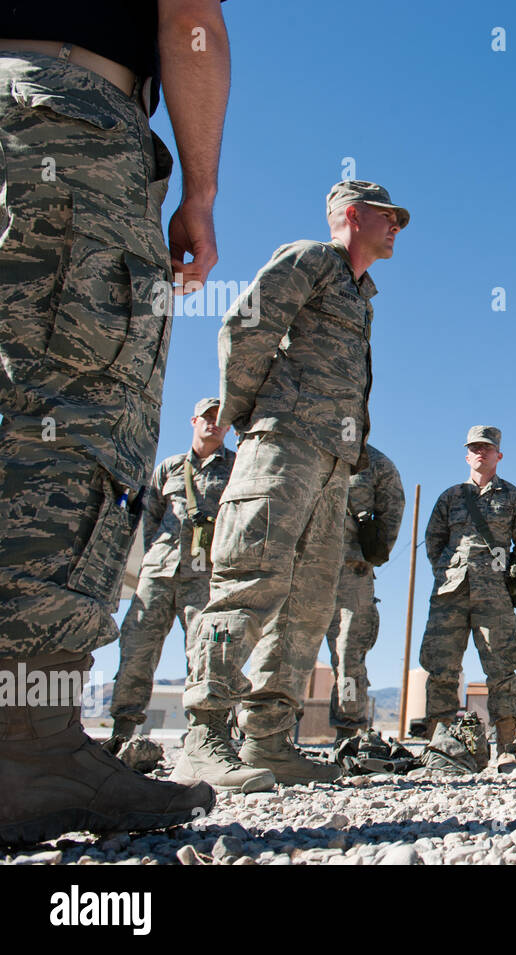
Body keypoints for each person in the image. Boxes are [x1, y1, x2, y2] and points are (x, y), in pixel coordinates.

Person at [0, 2, 230, 845]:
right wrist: (199, 193)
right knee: (69, 416)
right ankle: (26, 744)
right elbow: (190, 17)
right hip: (66, 118)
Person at [174, 180, 408, 790]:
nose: (398, 229)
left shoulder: (363, 297)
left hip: (334, 465)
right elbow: (245, 323)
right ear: (353, 215)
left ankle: (268, 740)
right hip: (282, 450)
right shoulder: (311, 258)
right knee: (249, 582)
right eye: (390, 218)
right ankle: (203, 733)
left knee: (307, 605)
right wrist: (251, 413)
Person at [108, 397, 234, 745]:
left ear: (228, 427)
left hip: (203, 576)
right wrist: (158, 555)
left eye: (220, 419)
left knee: (205, 652)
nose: (213, 423)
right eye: (207, 417)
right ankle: (123, 731)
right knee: (137, 649)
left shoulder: (236, 469)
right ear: (193, 421)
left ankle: (203, 734)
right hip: (158, 573)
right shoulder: (170, 468)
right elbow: (151, 518)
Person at [419, 427, 516, 757]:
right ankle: (438, 746)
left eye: (487, 448)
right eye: (474, 448)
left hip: (494, 592)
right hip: (450, 592)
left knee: (501, 668)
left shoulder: (513, 498)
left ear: (499, 454)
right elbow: (434, 541)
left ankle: (507, 747)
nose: (480, 453)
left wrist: (515, 567)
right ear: (467, 455)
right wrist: (447, 569)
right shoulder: (451, 497)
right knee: (441, 667)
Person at [324, 443, 404, 741]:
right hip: (303, 567)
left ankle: (348, 729)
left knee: (348, 655)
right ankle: (273, 731)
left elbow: (391, 513)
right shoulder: (311, 450)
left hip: (352, 573)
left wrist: (370, 556)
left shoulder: (378, 464)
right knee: (287, 649)